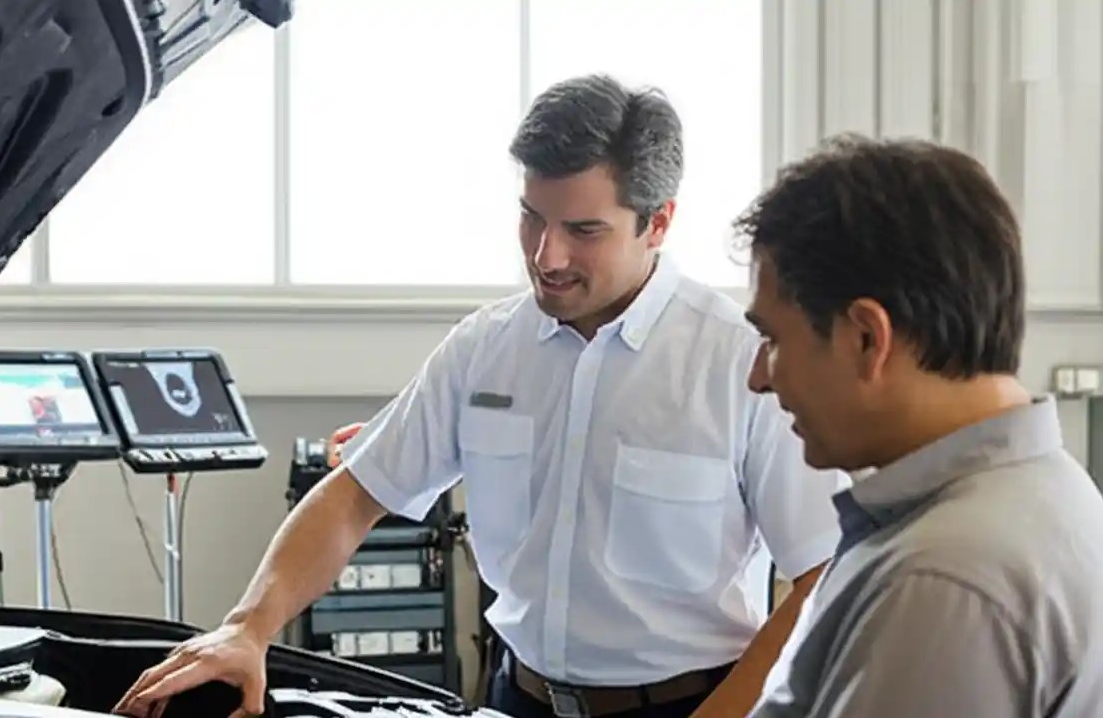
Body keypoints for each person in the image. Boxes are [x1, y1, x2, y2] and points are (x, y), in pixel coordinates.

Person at [113, 74, 849, 718]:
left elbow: (822, 573)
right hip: (513, 699)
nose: (545, 255)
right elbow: (352, 495)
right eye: (532, 216)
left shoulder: (742, 362)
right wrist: (248, 626)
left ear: (658, 222)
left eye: (583, 230)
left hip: (690, 703)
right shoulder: (485, 347)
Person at [737, 134, 1103, 716]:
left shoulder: (943, 579)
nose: (759, 378)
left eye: (773, 340)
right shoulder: (1045, 493)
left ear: (866, 338)